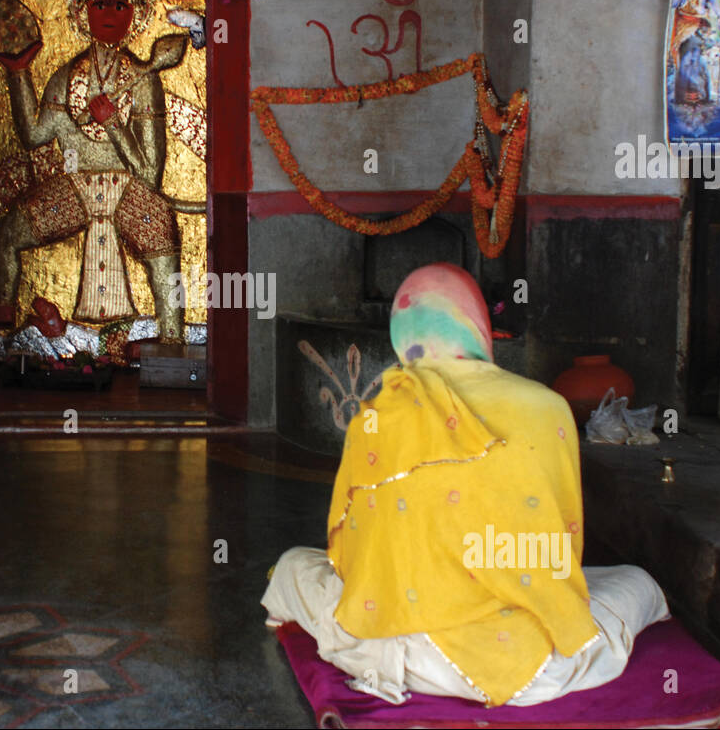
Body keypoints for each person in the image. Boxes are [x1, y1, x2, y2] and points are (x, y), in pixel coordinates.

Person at [262, 263, 669, 707]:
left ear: (402, 339)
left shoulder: (374, 419)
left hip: (391, 651)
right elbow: (562, 550)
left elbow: (349, 560)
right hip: (532, 668)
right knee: (638, 583)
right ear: (480, 327)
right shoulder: (548, 409)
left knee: (294, 566)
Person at [0, 0, 188, 341]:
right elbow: (34, 134)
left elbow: (149, 173)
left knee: (165, 235)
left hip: (127, 189)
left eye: (120, 5)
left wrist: (114, 125)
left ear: (136, 14)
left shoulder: (143, 80)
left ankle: (172, 342)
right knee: (7, 235)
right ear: (84, 12)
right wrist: (18, 72)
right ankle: (1, 334)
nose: (110, 13)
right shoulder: (66, 76)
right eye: (101, 4)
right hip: (76, 185)